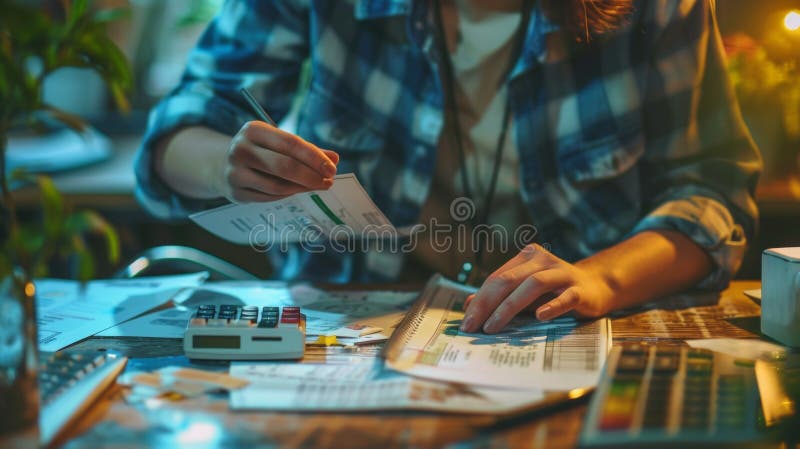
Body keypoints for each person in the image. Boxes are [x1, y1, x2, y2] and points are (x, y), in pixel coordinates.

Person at [135, 0, 760, 334]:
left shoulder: (654, 6)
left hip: (561, 331)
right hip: (343, 331)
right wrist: (225, 164)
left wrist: (603, 279)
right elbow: (172, 138)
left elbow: (713, 192)